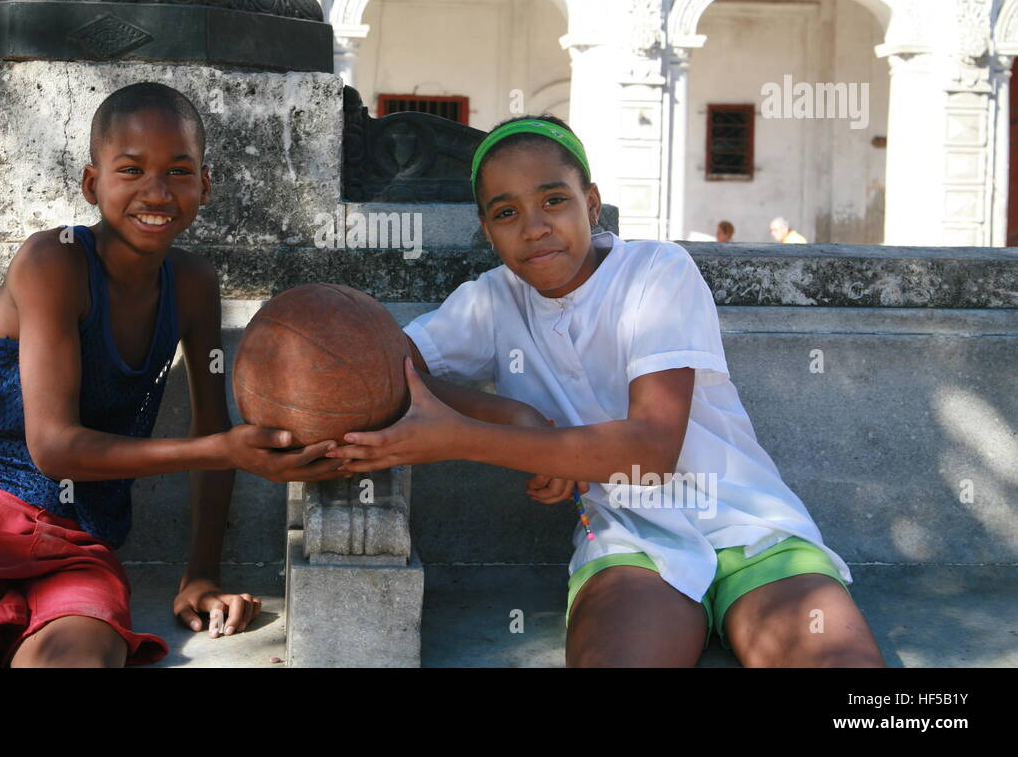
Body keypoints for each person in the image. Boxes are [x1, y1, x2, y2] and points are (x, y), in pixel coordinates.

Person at [328, 115, 883, 667]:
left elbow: (651, 450)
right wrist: (514, 416)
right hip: (627, 543)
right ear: (486, 231)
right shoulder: (489, 302)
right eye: (506, 213)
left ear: (590, 204)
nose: (534, 227)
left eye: (553, 201)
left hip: (749, 523)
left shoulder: (656, 271)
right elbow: (384, 371)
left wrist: (460, 438)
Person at [0, 82, 344, 668]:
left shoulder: (194, 284)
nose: (156, 190)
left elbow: (216, 431)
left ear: (205, 184)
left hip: (75, 546)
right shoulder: (54, 261)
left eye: (178, 170)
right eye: (131, 169)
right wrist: (217, 447)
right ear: (93, 184)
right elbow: (54, 448)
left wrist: (199, 575)